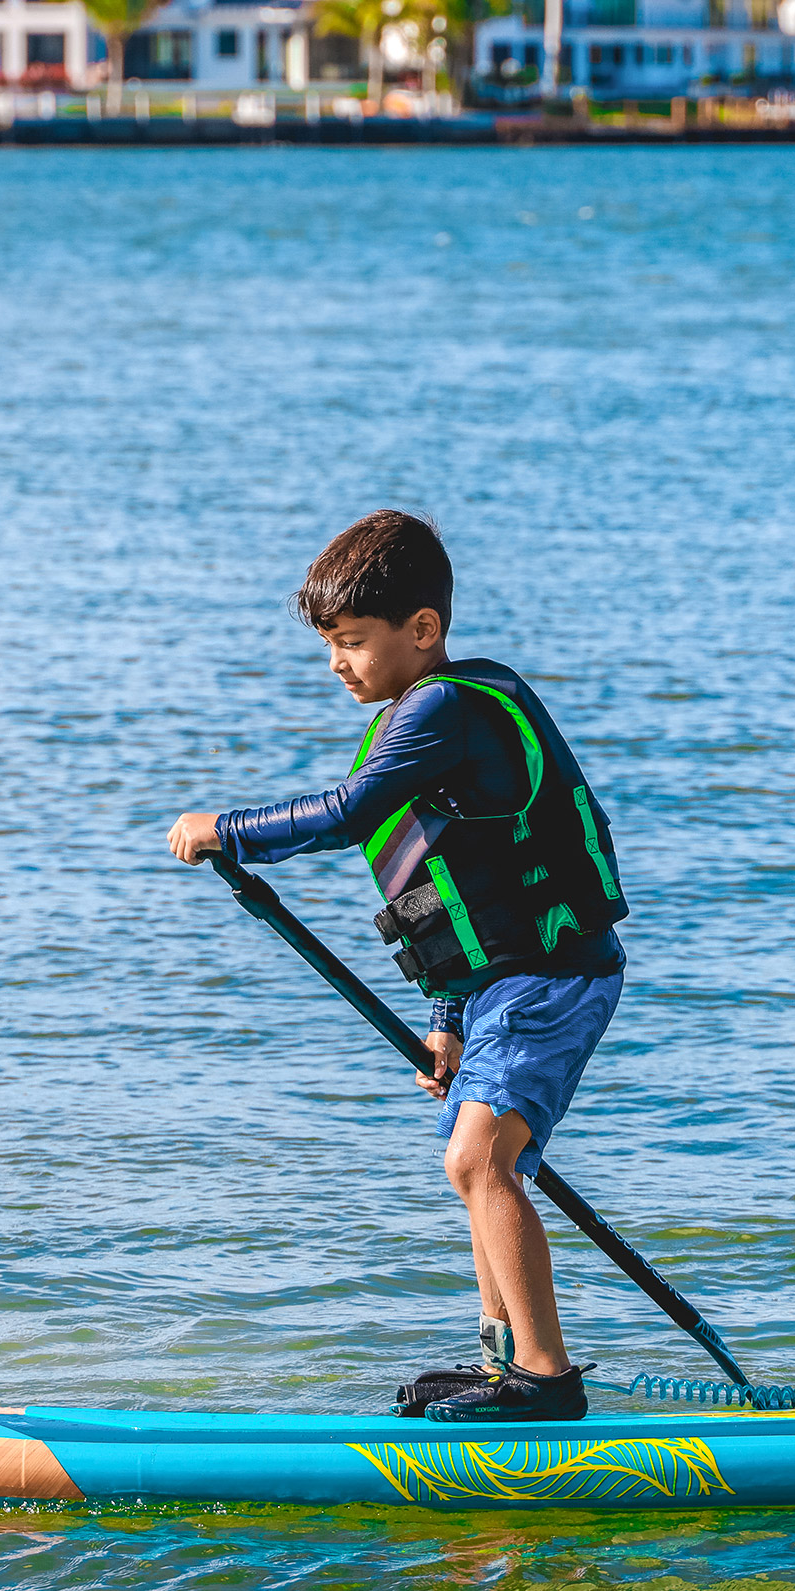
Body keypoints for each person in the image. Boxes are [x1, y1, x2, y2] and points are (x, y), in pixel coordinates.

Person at [166, 510, 629, 1424]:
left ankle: (545, 1382)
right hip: (499, 983)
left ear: (422, 629)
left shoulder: (446, 709)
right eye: (329, 645)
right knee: (476, 1165)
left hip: (553, 976)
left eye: (352, 641)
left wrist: (227, 830)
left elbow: (348, 813)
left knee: (481, 1160)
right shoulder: (423, 714)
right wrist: (448, 1021)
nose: (338, 664)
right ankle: (504, 1365)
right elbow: (451, 886)